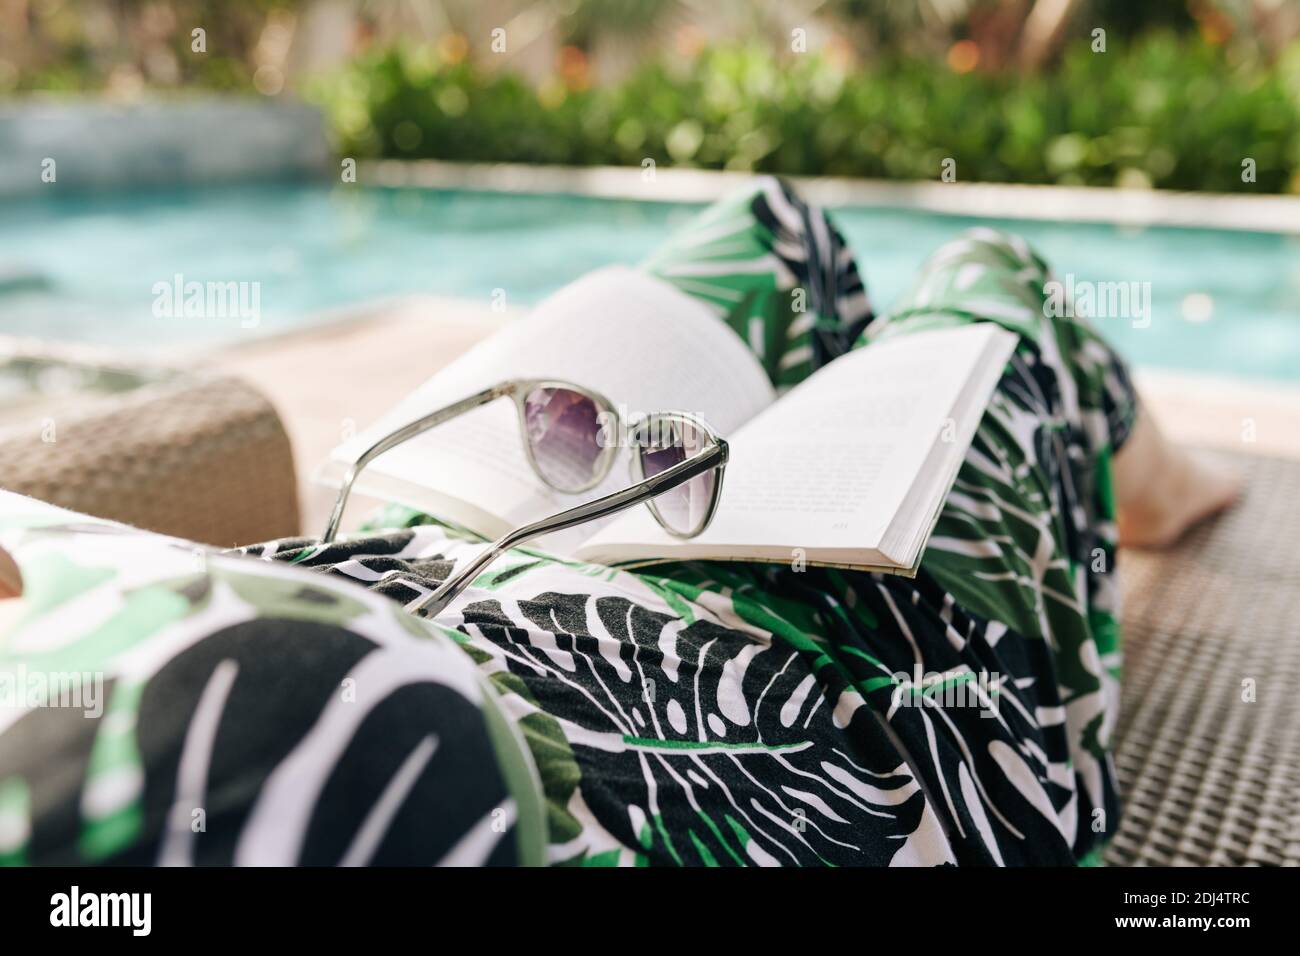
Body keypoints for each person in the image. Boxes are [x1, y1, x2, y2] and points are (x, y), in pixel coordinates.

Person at [0, 178, 1238, 866]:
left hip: (429, 541)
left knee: (774, 230)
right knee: (989, 280)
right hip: (789, 735)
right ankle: (1154, 488)